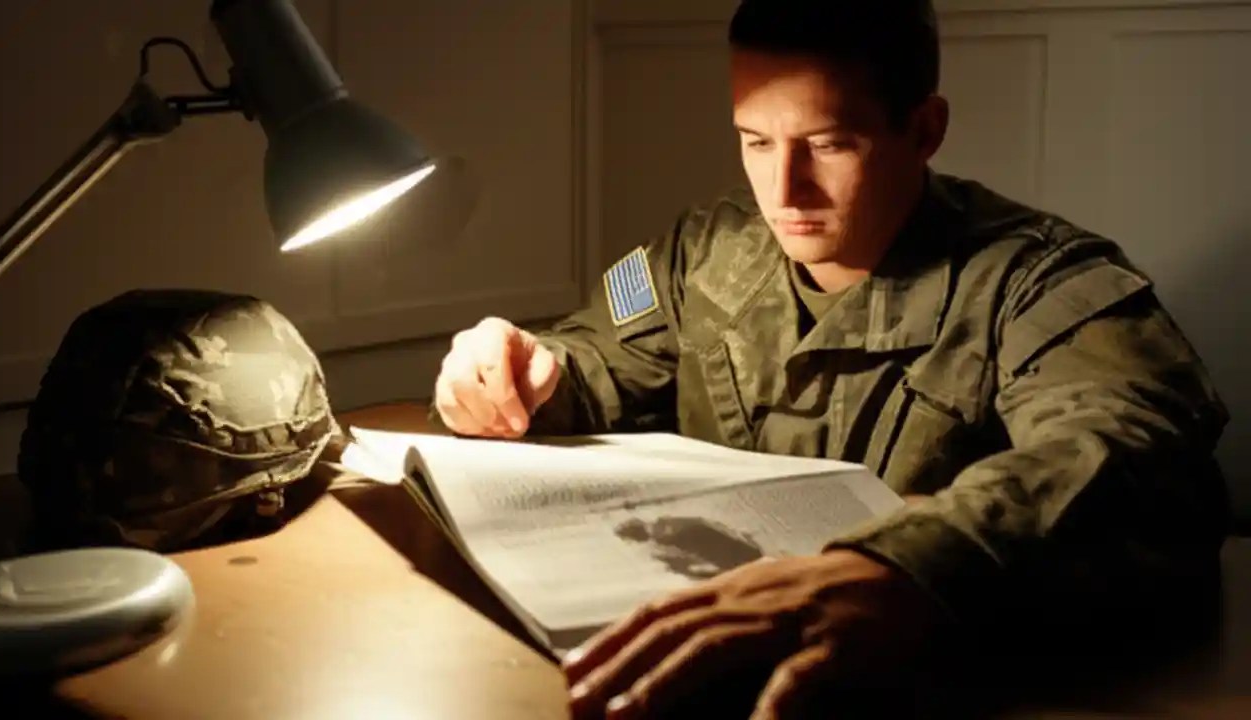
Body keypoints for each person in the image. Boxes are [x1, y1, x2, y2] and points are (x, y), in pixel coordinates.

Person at [431, 0, 1231, 717]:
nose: (786, 189)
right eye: (755, 140)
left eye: (828, 143)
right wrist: (525, 373)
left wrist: (907, 568)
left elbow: (1129, 451)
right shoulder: (704, 253)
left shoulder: (1038, 279)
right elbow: (601, 358)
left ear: (923, 130)